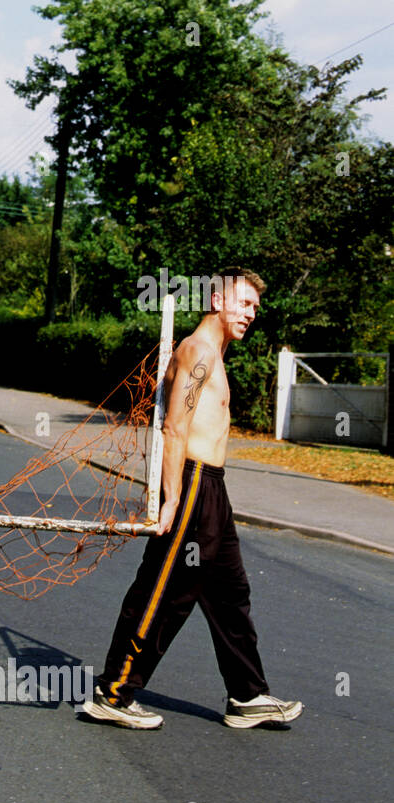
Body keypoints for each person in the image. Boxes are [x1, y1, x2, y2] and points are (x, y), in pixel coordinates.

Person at [81, 268, 300, 729]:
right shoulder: (198, 352)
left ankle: (247, 696)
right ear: (217, 300)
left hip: (213, 489)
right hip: (193, 487)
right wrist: (171, 497)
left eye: (255, 308)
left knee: (230, 595)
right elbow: (174, 428)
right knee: (164, 591)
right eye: (244, 304)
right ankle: (114, 693)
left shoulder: (214, 355)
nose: (251, 314)